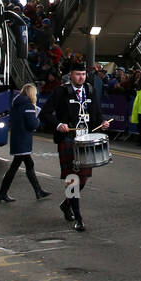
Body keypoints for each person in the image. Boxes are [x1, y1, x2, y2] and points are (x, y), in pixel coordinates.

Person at [41, 62, 112, 232]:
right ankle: (78, 217)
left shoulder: (90, 90)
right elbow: (45, 113)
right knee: (72, 179)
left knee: (84, 179)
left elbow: (95, 112)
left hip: (85, 140)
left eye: (83, 74)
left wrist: (102, 122)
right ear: (71, 75)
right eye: (78, 74)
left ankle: (66, 204)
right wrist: (58, 125)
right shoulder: (61, 91)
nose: (81, 77)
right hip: (68, 139)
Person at [0, 82, 51, 203]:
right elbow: (32, 123)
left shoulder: (17, 103)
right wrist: (37, 120)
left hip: (18, 138)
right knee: (15, 167)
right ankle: (2, 193)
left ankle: (38, 191)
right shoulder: (28, 105)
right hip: (23, 140)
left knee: (28, 164)